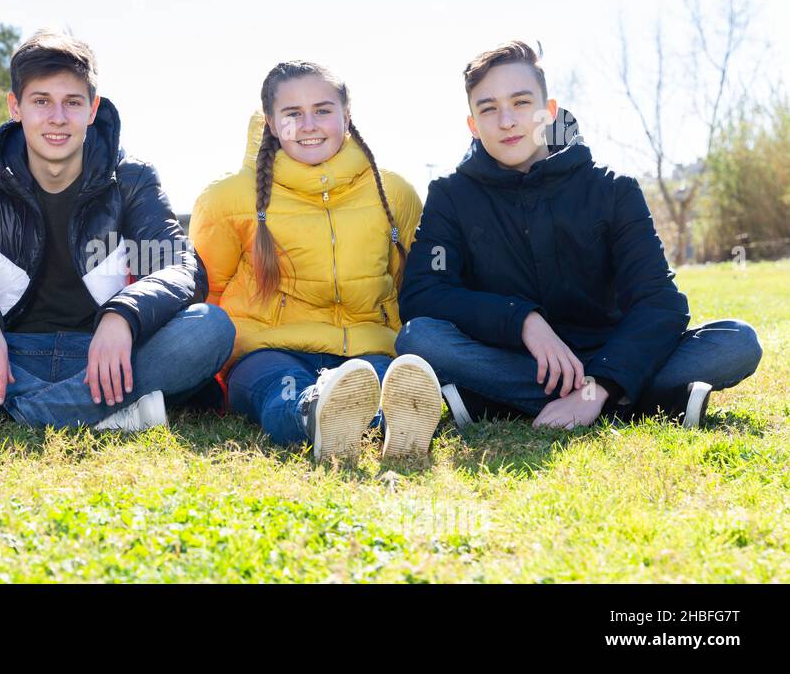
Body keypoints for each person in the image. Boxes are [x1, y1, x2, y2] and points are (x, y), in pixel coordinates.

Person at [0, 30, 234, 433]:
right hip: (5, 354)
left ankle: (6, 415)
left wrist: (124, 315)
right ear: (15, 107)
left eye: (72, 102)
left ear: (93, 109)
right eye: (41, 101)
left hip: (104, 354)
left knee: (210, 327)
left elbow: (179, 266)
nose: (57, 118)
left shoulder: (131, 178)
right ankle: (101, 413)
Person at [396, 40, 762, 430]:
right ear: (473, 124)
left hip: (612, 355)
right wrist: (522, 321)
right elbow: (424, 293)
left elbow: (659, 302)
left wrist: (597, 386)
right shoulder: (451, 197)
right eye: (488, 109)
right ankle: (641, 400)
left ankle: (516, 402)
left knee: (736, 342)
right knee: (418, 338)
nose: (506, 121)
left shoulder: (613, 190)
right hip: (515, 360)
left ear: (549, 111)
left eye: (521, 102)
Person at [190, 61, 442, 462]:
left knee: (380, 387)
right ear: (272, 124)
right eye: (292, 114)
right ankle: (312, 415)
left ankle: (395, 423)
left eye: (323, 110)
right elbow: (208, 289)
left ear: (346, 116)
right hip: (269, 350)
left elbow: (408, 284)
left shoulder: (393, 193)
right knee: (283, 391)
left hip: (368, 348)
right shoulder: (228, 198)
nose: (309, 125)